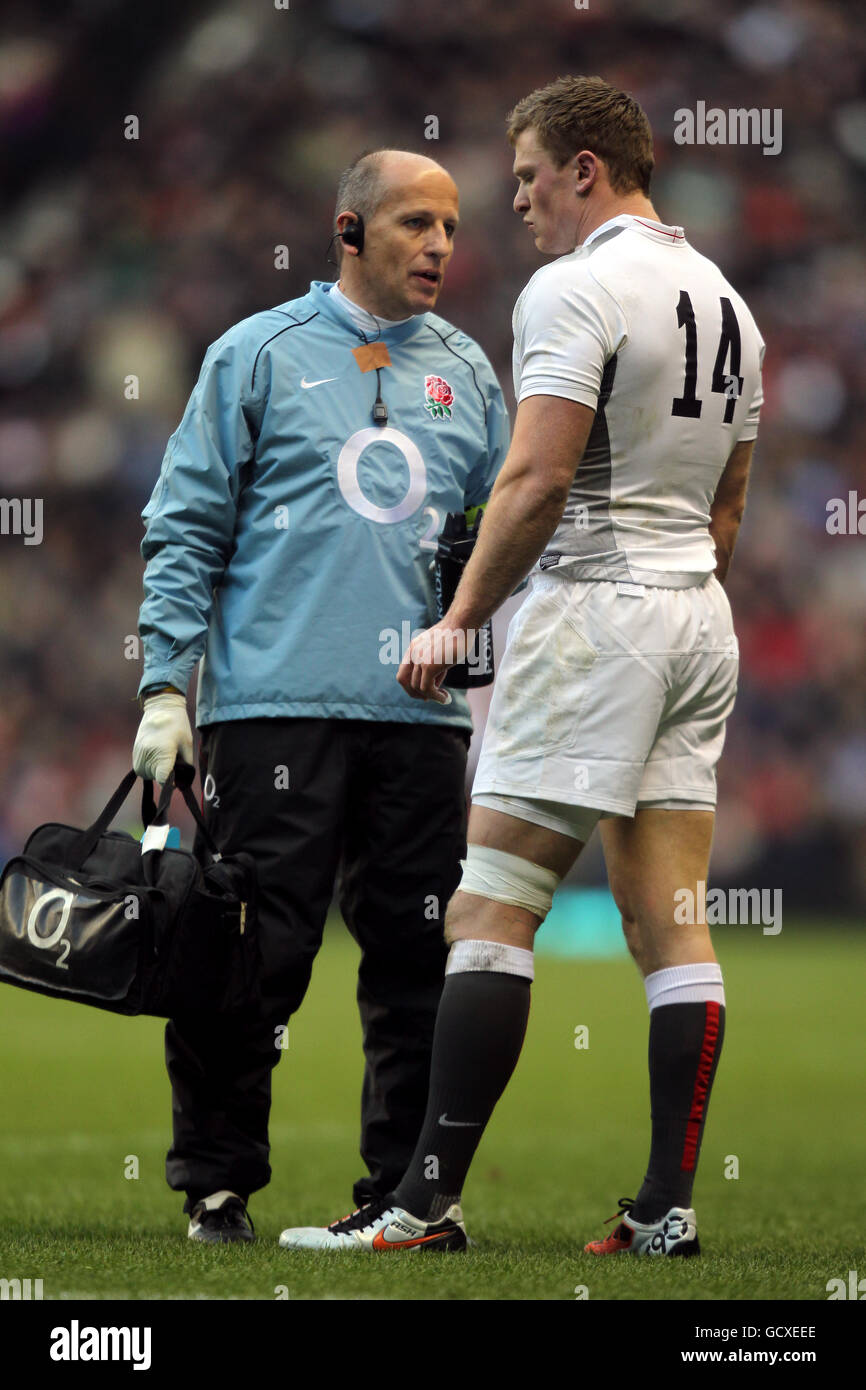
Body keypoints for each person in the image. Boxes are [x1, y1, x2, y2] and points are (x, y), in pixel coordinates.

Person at [278, 76, 765, 1256]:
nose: (520, 203)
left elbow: (538, 477)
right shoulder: (726, 302)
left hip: (594, 609)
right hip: (695, 614)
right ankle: (663, 1209)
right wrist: (664, 596)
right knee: (672, 926)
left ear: (585, 171)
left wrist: (457, 620)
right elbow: (727, 506)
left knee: (490, 911)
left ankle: (420, 1202)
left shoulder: (576, 287)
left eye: (531, 177)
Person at [132, 148, 510, 1243]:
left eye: (450, 225)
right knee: (249, 956)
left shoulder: (472, 375)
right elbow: (184, 523)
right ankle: (215, 1183)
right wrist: (166, 684)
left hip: (423, 721)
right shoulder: (255, 355)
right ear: (347, 231)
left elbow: (499, 538)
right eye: (413, 223)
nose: (440, 244)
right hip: (271, 713)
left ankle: (403, 1192)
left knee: (416, 967)